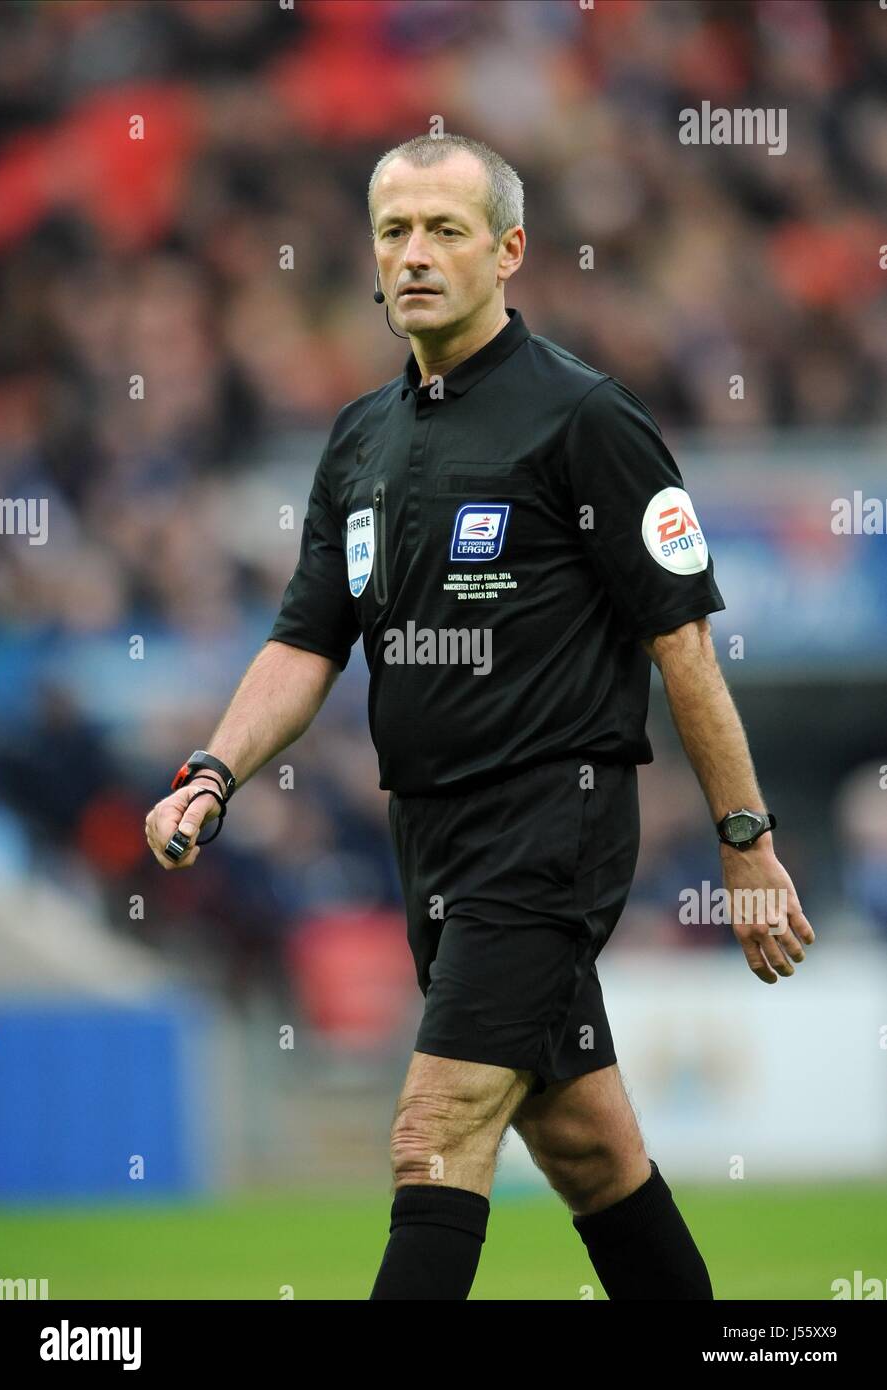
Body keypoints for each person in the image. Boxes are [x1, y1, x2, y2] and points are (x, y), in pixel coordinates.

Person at [145, 133, 814, 1301]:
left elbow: (683, 640)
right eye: (394, 231)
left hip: (553, 821)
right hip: (434, 839)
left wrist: (745, 842)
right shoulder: (360, 440)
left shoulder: (585, 418)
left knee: (433, 1131)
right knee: (592, 1152)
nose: (415, 255)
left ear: (509, 251)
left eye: (445, 230)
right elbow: (307, 641)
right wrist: (213, 771)